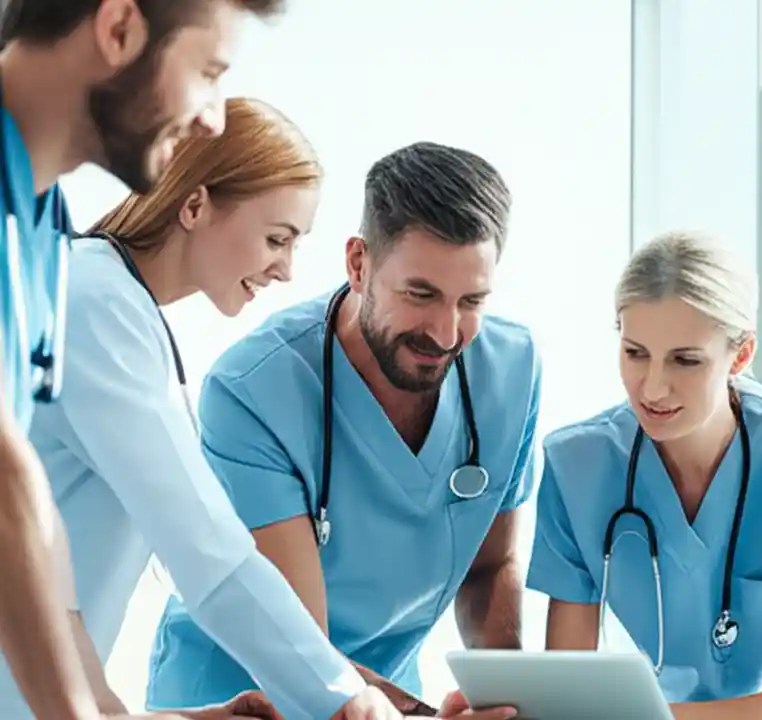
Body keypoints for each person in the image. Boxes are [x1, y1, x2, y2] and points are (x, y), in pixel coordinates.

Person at [14, 96, 422, 720]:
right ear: (195, 205)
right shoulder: (98, 306)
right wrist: (343, 698)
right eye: (276, 238)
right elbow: (208, 553)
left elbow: (59, 600)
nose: (286, 270)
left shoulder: (118, 308)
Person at [146, 140, 536, 719]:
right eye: (420, 294)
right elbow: (299, 648)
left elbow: (489, 568)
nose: (446, 333)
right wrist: (426, 717)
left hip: (390, 698)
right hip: (242, 694)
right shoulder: (253, 390)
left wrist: (503, 703)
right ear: (359, 264)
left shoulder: (511, 370)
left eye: (471, 300)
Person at [0, 1, 280, 717]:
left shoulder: (42, 230)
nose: (213, 118)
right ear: (119, 28)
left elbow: (41, 567)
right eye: (209, 71)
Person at [528, 230, 762, 719]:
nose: (653, 388)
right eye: (635, 352)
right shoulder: (576, 466)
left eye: (685, 360)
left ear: (741, 355)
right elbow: (567, 696)